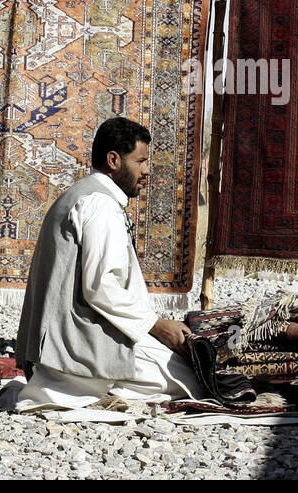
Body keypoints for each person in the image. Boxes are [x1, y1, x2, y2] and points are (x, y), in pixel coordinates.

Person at [11, 116, 200, 410]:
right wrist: (157, 325)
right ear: (114, 160)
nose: (147, 170)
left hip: (54, 344)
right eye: (141, 161)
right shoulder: (101, 205)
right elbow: (101, 287)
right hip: (79, 346)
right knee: (194, 381)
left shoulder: (77, 194)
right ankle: (75, 386)